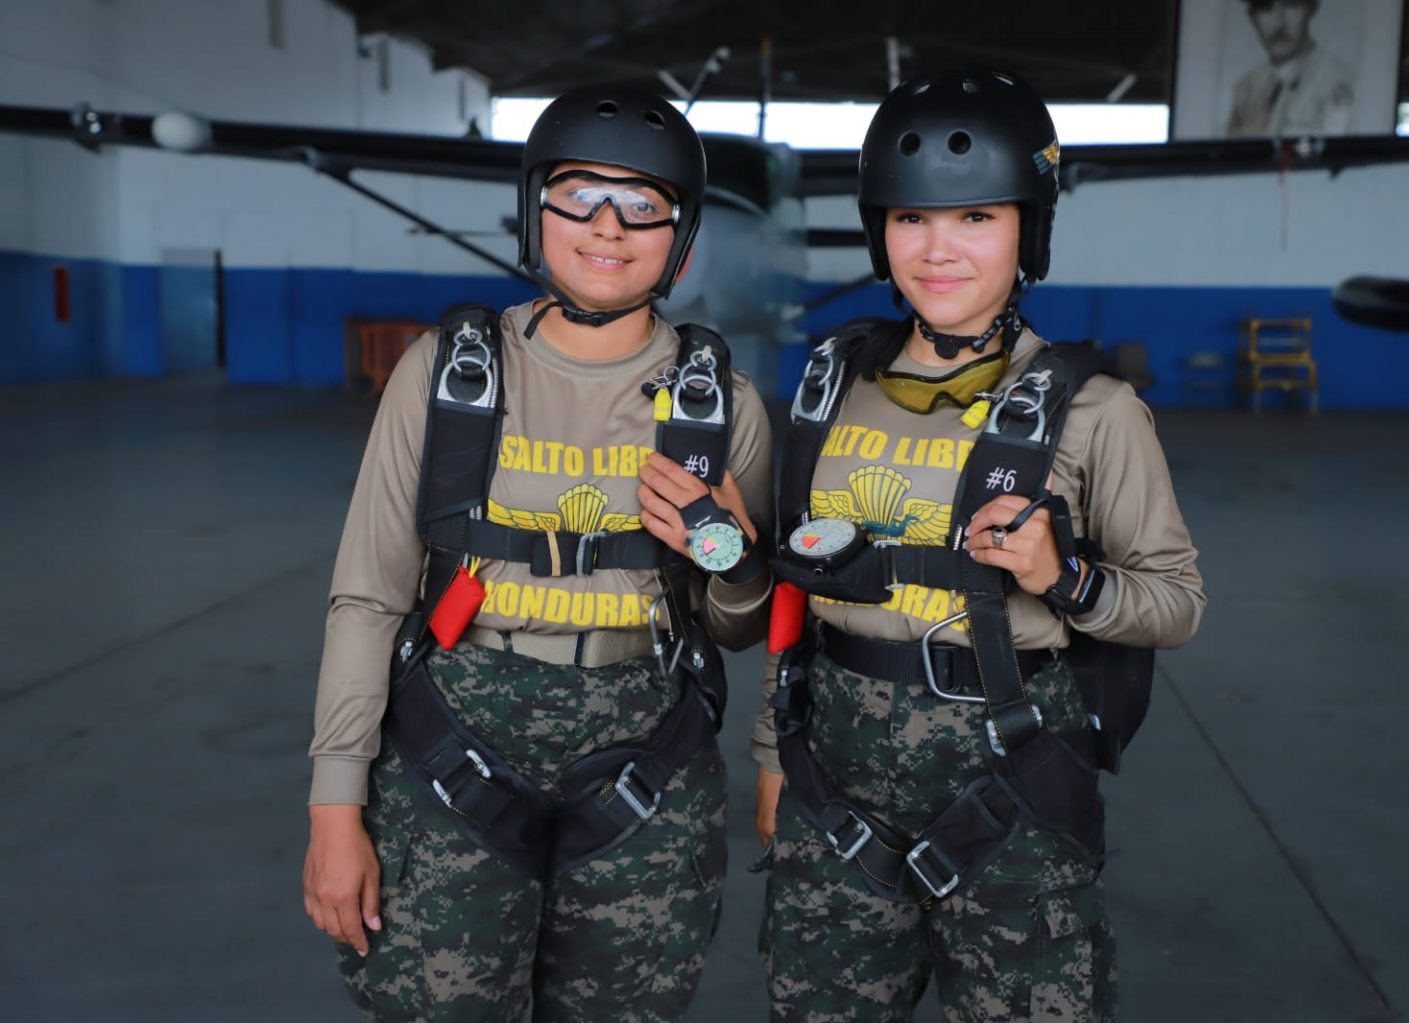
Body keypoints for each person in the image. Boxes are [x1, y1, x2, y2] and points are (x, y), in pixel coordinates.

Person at [301, 84, 773, 1022]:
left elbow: (738, 623)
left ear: (679, 235)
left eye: (643, 204)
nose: (607, 225)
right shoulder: (447, 375)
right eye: (578, 193)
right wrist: (334, 805)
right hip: (453, 741)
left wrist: (729, 551)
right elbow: (367, 597)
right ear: (536, 208)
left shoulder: (723, 403)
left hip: (648, 758)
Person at [754, 70, 1205, 1022]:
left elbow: (1175, 601)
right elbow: (798, 587)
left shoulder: (1094, 411)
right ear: (881, 229)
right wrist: (770, 752)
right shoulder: (831, 389)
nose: (938, 249)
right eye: (912, 219)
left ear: (1026, 231)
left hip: (1010, 792)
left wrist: (1063, 576)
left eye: (976, 219)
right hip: (830, 789)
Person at [1226, 0, 1355, 137]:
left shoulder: (1340, 84)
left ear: (1312, 7)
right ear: (1252, 17)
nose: (1278, 23)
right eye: (1265, 8)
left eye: (1291, 4)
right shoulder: (1246, 90)